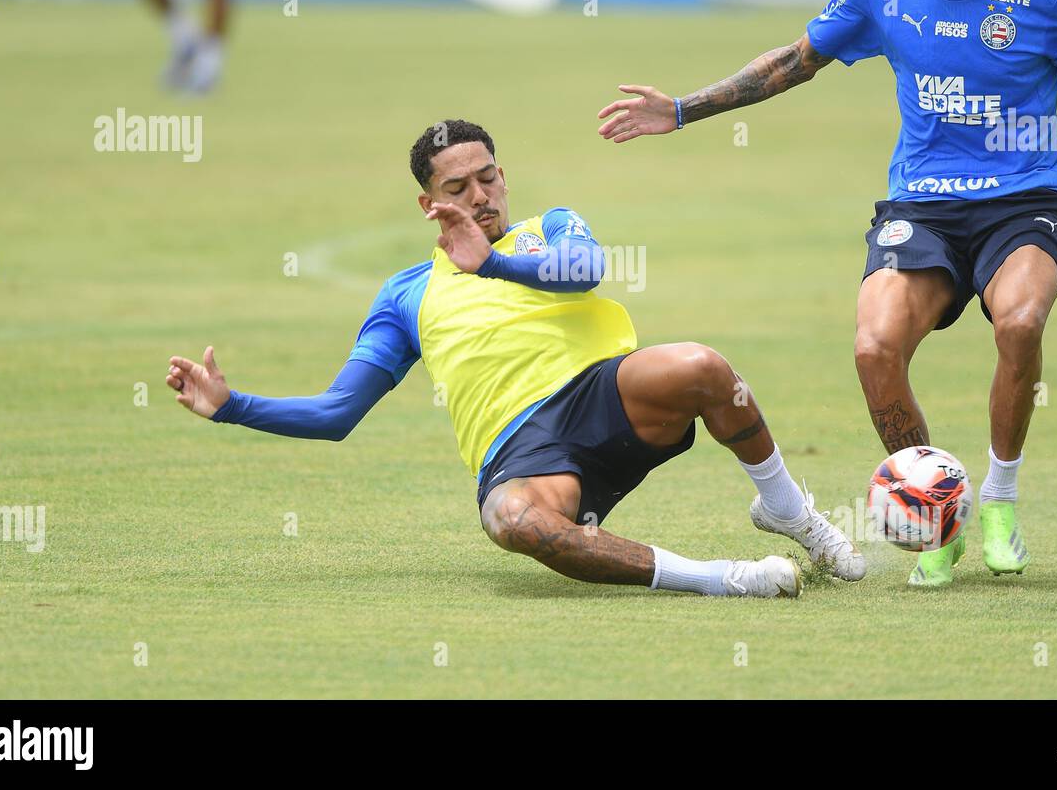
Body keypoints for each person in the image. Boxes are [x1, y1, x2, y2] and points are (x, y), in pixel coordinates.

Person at [595, 0, 1057, 587]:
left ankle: (1001, 497)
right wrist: (683, 110)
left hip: (1023, 201)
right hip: (922, 205)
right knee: (874, 346)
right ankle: (938, 517)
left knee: (1019, 322)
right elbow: (793, 62)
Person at [167, 120, 866, 597]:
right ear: (427, 203)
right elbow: (337, 412)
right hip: (521, 453)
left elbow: (588, 267)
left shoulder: (547, 229)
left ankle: (789, 512)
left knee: (703, 366)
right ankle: (722, 578)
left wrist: (497, 264)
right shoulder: (405, 295)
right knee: (516, 524)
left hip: (605, 395)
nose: (479, 195)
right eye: (457, 187)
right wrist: (233, 407)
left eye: (488, 177)